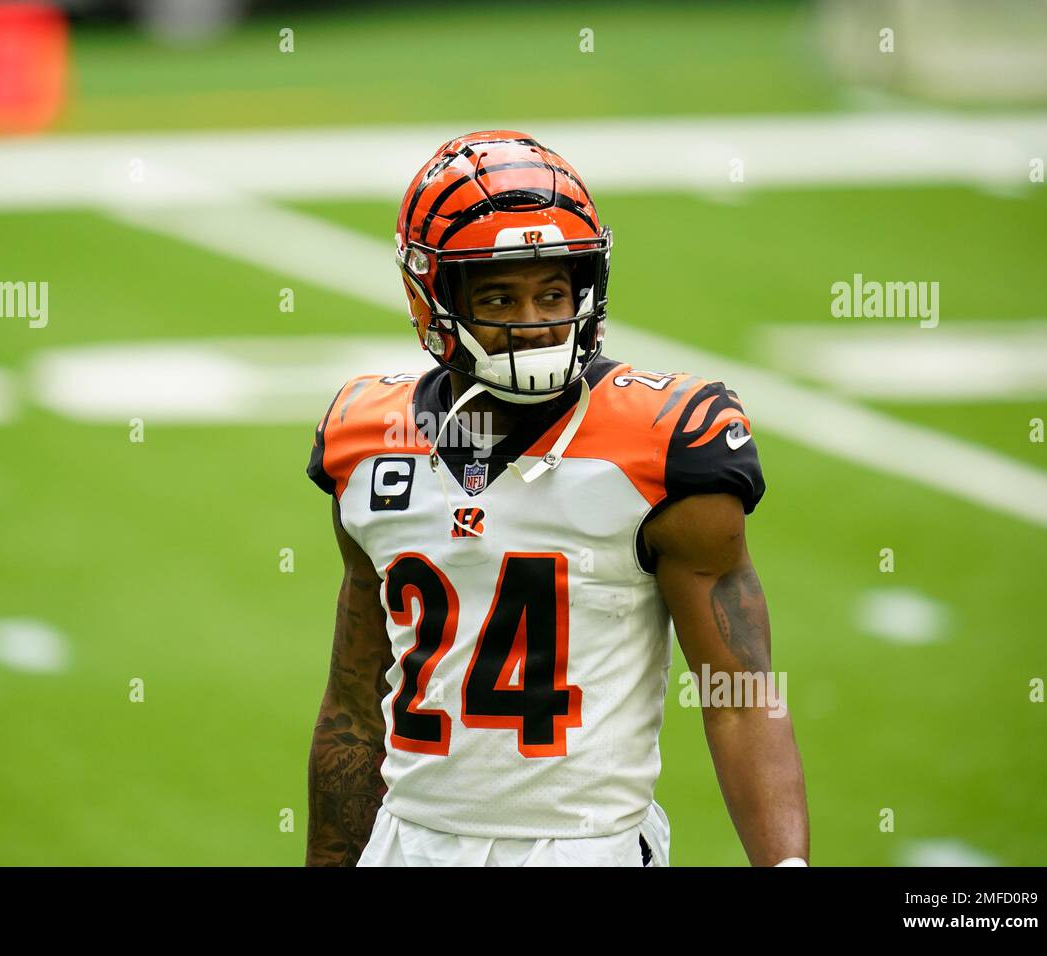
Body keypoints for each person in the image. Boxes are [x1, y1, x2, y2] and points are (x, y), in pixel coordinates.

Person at [305, 130, 809, 867]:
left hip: (582, 847)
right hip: (406, 845)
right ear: (434, 297)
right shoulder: (366, 440)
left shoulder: (666, 446)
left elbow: (739, 692)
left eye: (553, 292)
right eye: (500, 296)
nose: (535, 320)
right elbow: (352, 710)